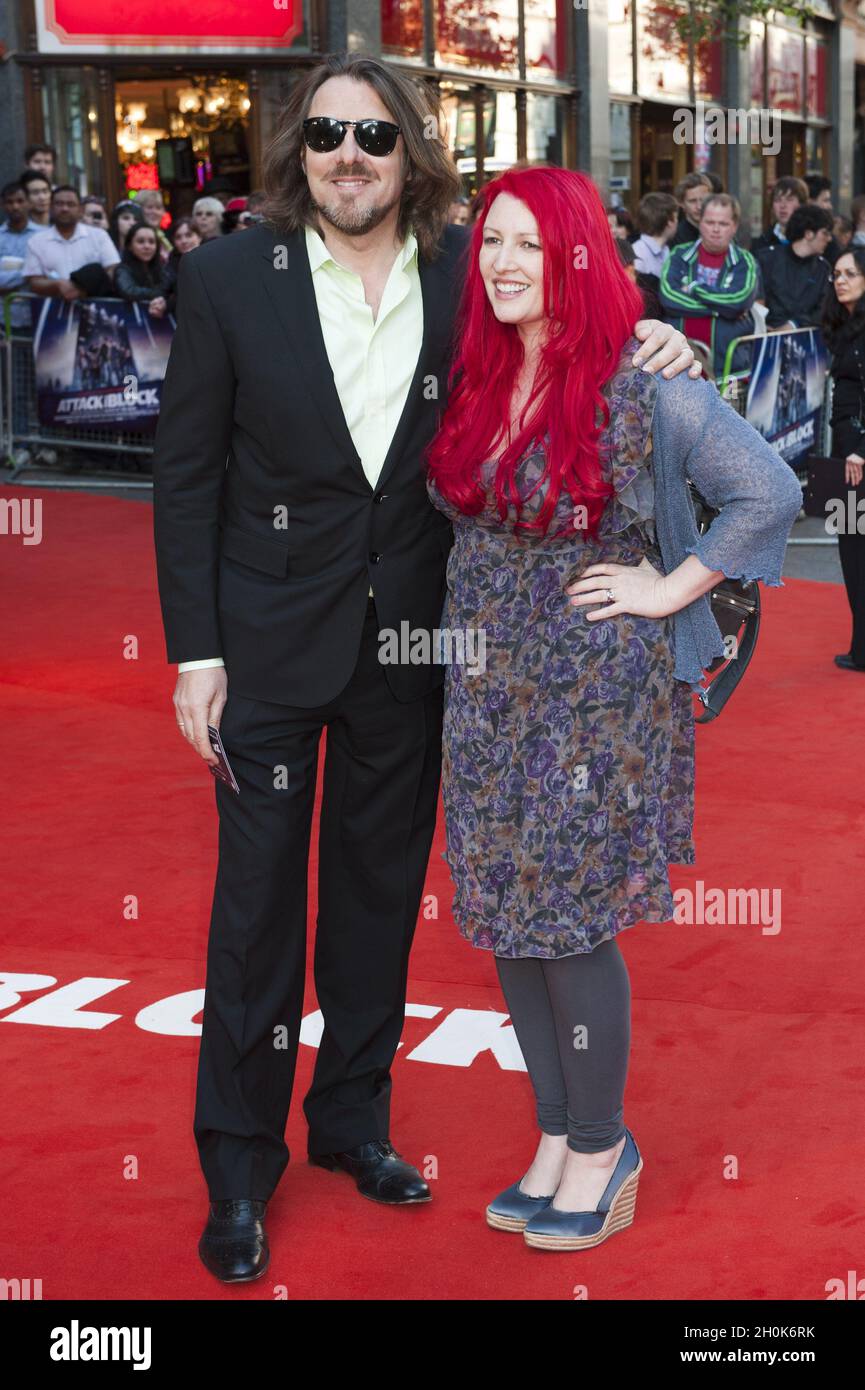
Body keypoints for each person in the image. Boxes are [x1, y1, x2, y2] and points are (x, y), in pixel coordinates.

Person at [151, 50, 701, 1285]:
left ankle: (350, 1123)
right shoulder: (232, 278)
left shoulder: (464, 270)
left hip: (416, 648)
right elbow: (186, 476)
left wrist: (661, 340)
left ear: (412, 152)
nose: (351, 155)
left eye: (377, 136)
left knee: (376, 902)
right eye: (329, 133)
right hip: (270, 651)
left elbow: (568, 313)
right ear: (299, 150)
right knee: (253, 917)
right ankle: (237, 1166)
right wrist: (195, 649)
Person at [425, 164, 802, 1251]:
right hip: (487, 687)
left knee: (572, 915)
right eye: (491, 240)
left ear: (579, 256)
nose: (501, 263)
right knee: (504, 907)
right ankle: (553, 1132)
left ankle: (602, 1144)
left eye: (529, 246)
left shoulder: (643, 380)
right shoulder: (480, 371)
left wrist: (667, 588)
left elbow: (766, 491)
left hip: (595, 693)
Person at [821, 247, 865, 671]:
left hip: (857, 456)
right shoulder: (848, 326)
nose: (841, 280)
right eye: (837, 273)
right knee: (851, 542)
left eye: (851, 273)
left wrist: (860, 449)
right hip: (847, 452)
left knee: (855, 544)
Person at [659, 193, 759, 377]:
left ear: (734, 227)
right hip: (679, 370)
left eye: (723, 224)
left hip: (730, 373)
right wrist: (721, 310)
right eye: (710, 222)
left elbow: (738, 301)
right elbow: (668, 297)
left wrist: (694, 288)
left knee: (732, 406)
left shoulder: (745, 261)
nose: (715, 229)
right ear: (700, 223)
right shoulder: (679, 254)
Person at [22, 185, 119, 300]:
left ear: (80, 210)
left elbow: (113, 269)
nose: (65, 209)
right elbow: (34, 282)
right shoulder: (36, 241)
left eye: (71, 204)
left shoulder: (99, 236)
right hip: (51, 312)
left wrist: (85, 287)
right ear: (51, 208)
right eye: (59, 204)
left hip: (94, 309)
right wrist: (58, 285)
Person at [756, 204, 833, 331]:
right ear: (808, 234)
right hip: (765, 335)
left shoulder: (823, 269)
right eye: (825, 233)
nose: (829, 239)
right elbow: (755, 300)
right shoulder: (766, 259)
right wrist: (761, 326)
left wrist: (794, 325)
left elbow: (823, 310)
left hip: (803, 339)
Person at [0, 179, 44, 325]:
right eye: (10, 202)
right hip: (3, 319)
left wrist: (9, 282)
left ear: (29, 203)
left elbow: (49, 273)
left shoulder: (44, 235)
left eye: (20, 201)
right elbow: (37, 276)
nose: (15, 206)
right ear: (3, 205)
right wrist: (30, 275)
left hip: (38, 316)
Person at [114, 223, 173, 317]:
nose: (147, 246)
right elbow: (129, 291)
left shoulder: (162, 269)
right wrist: (158, 294)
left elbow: (169, 289)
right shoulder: (122, 269)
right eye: (140, 241)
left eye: (151, 242)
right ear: (130, 246)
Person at [751, 176, 808, 256]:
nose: (783, 206)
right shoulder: (762, 242)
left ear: (801, 204)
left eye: (789, 200)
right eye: (777, 200)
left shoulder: (810, 239)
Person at [631, 192, 678, 284]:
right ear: (670, 221)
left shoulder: (666, 250)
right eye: (676, 217)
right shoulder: (637, 253)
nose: (677, 222)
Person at [668, 172, 712, 250]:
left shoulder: (720, 231)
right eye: (692, 201)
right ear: (681, 204)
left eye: (703, 200)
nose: (699, 206)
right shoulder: (675, 238)